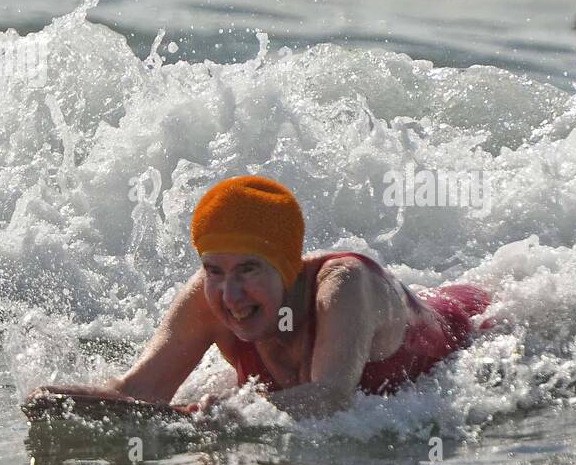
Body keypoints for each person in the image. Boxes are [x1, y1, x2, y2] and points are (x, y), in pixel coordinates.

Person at [26, 175, 491, 419]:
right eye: (214, 270)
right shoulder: (209, 298)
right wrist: (60, 401)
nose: (230, 294)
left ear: (287, 270)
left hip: (471, 325)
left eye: (249, 269)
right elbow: (139, 393)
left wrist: (237, 413)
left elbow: (331, 398)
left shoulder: (346, 287)